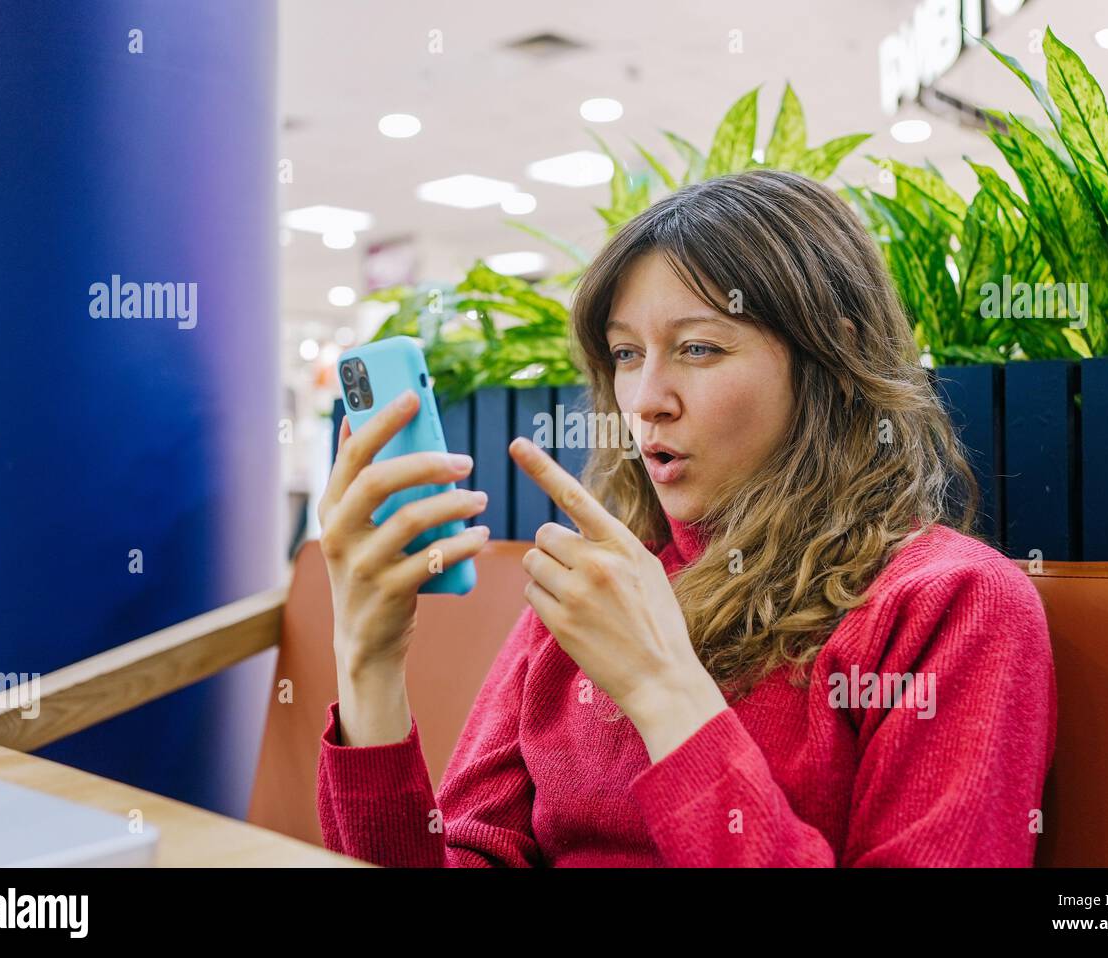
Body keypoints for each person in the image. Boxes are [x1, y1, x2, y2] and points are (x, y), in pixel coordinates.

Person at [314, 169, 1057, 867]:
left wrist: (665, 693)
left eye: (698, 348)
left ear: (835, 359)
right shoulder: (605, 578)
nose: (645, 398)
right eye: (626, 354)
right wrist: (369, 663)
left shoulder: (948, 604)